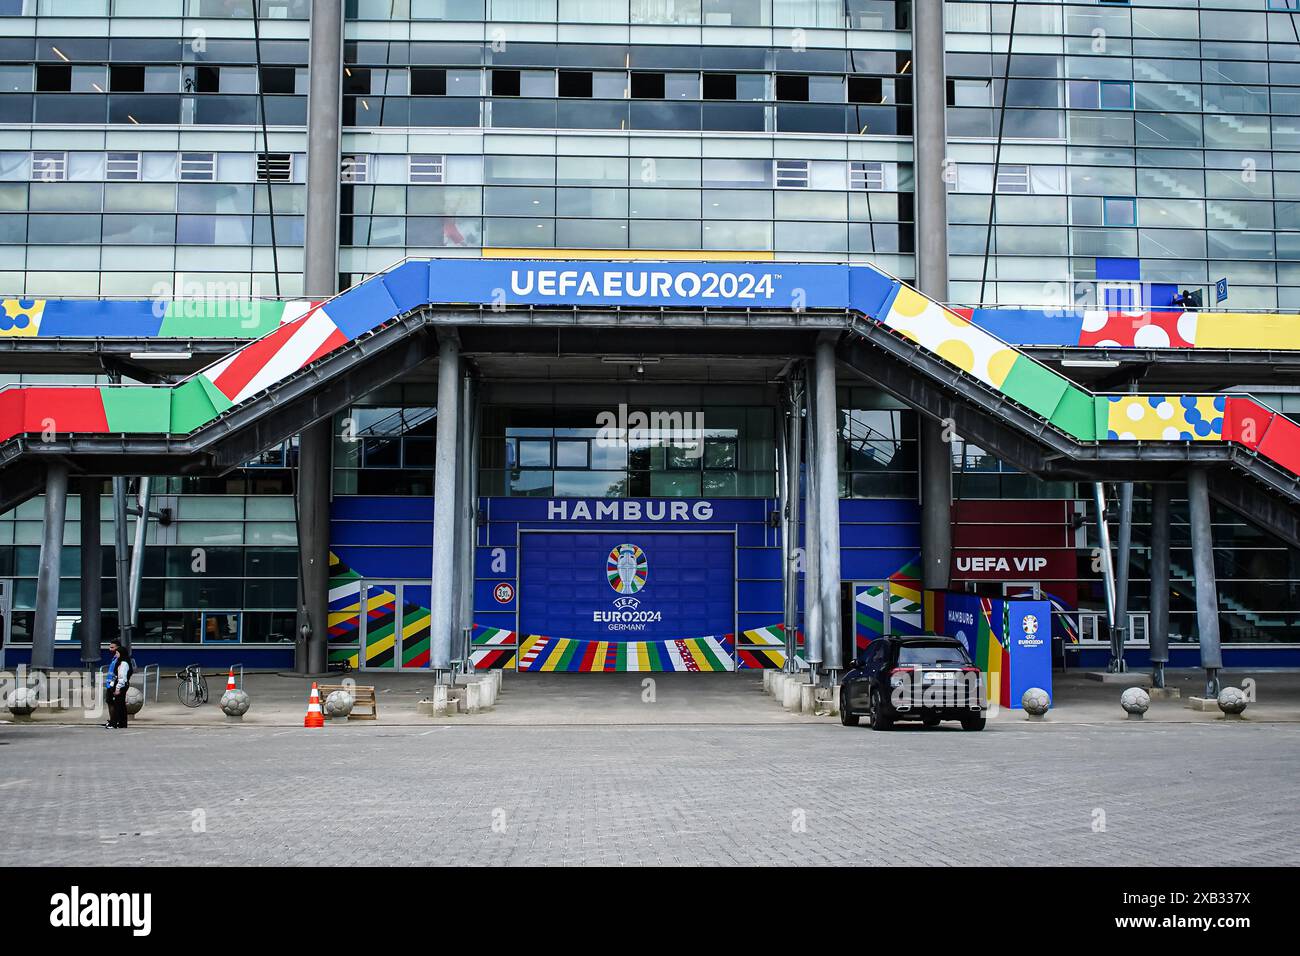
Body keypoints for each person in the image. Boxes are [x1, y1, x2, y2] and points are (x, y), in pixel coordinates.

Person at [103, 640, 134, 730]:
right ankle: (121, 723)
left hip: (120, 685)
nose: (115, 654)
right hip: (116, 684)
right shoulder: (119, 661)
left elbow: (121, 677)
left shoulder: (123, 663)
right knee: (120, 705)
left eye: (116, 652)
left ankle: (114, 723)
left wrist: (117, 688)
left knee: (118, 705)